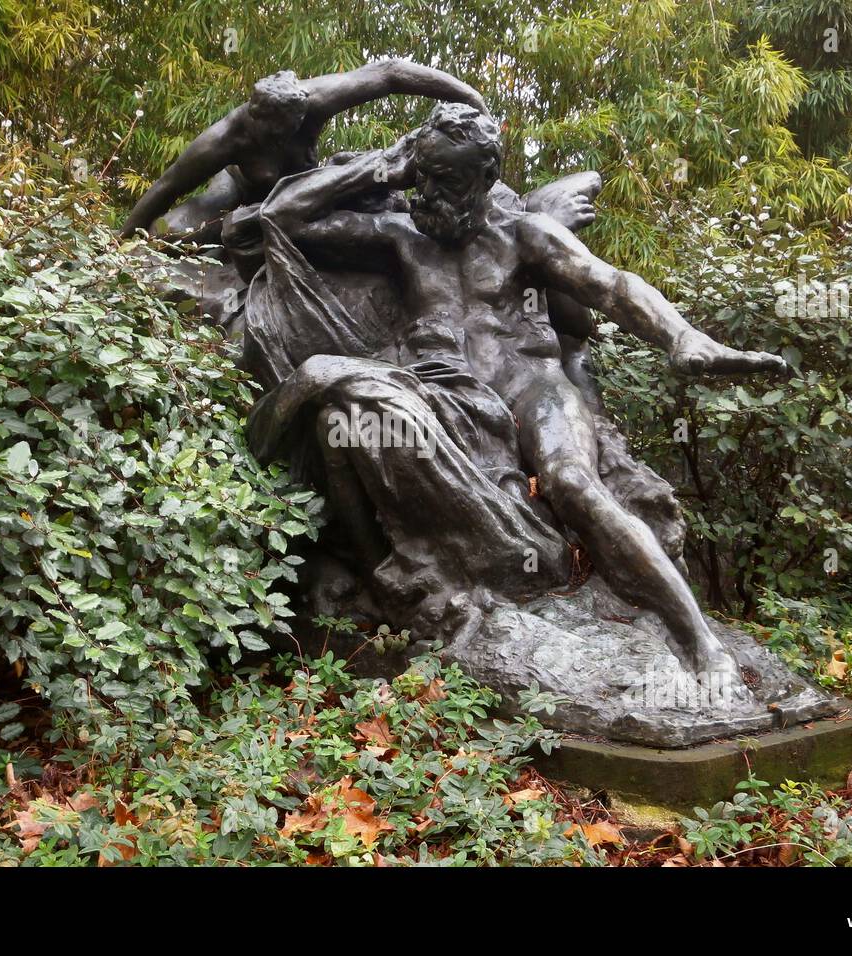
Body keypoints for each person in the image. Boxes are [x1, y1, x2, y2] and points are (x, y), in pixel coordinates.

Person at [259, 103, 788, 694]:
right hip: (448, 396)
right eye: (424, 176)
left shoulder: (523, 235)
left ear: (485, 180)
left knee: (573, 484)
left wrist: (682, 336)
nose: (428, 191)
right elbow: (281, 217)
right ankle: (389, 580)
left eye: (446, 180)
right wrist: (390, 164)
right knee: (344, 410)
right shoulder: (401, 237)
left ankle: (698, 640)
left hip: (532, 387)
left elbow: (610, 285)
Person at [120, 62, 486, 240]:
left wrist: (469, 95)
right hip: (241, 192)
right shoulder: (223, 140)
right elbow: (165, 187)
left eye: (295, 126)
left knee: (372, 196)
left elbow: (389, 73)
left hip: (304, 186)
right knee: (169, 232)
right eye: (276, 132)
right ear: (256, 117)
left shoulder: (316, 99)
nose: (287, 137)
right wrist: (118, 243)